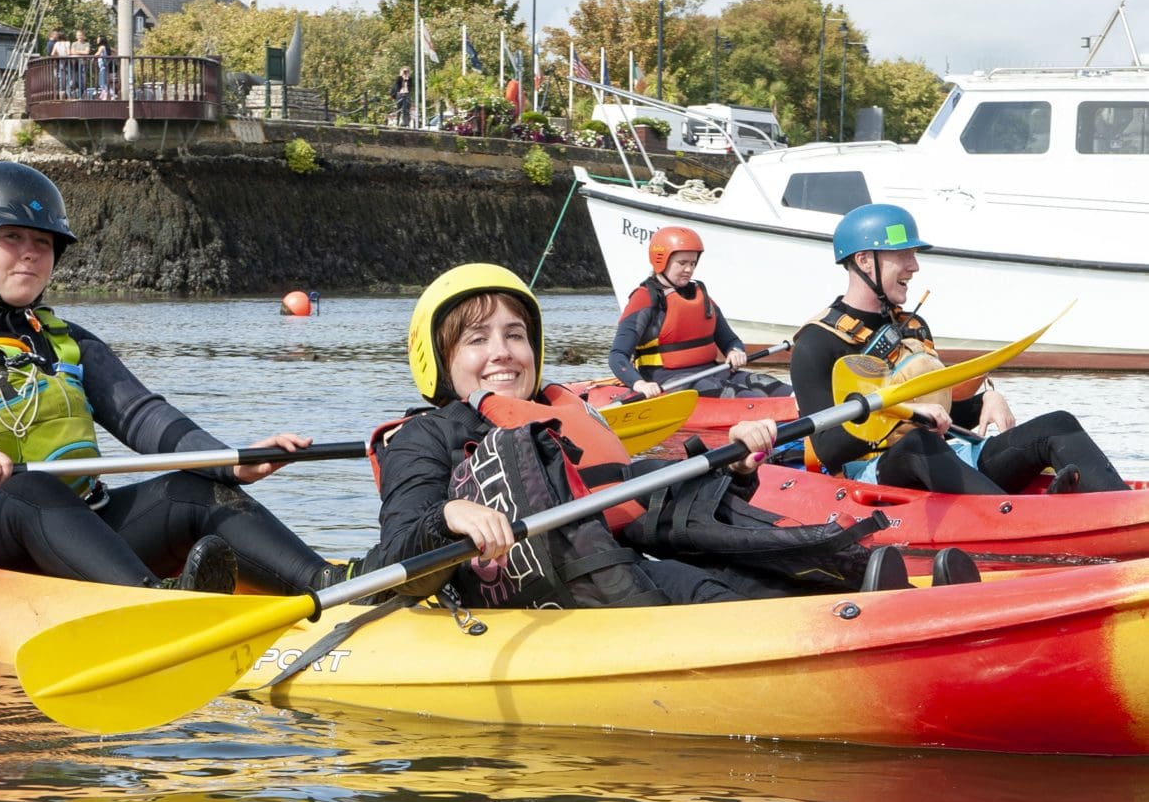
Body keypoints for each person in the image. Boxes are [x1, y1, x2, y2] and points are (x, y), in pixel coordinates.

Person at [0, 162, 353, 594]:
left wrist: (230, 463)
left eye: (44, 241)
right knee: (29, 489)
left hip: (72, 527)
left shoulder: (66, 339)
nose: (31, 252)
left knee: (190, 491)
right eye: (11, 237)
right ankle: (152, 603)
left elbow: (144, 416)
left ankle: (332, 586)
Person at [362, 263, 945, 609]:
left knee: (762, 571)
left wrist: (731, 470)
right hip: (543, 597)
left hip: (610, 569)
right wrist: (452, 517)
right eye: (477, 340)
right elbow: (396, 554)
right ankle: (877, 630)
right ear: (438, 359)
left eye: (515, 336)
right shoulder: (425, 438)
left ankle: (897, 599)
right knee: (714, 598)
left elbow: (638, 498)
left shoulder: (560, 418)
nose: (502, 354)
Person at [789, 203, 1128, 495]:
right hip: (871, 475)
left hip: (939, 459)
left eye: (914, 255)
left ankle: (1123, 509)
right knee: (918, 443)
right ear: (864, 261)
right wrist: (902, 415)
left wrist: (983, 403)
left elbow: (941, 416)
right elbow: (828, 449)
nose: (914, 265)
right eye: (902, 255)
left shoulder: (913, 328)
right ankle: (1016, 519)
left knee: (1057, 423)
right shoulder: (817, 342)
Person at [609, 226, 791, 399]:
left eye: (693, 263)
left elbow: (730, 340)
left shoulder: (700, 296)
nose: (689, 269)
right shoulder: (644, 299)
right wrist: (639, 384)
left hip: (713, 372)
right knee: (743, 396)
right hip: (670, 381)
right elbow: (617, 355)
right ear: (661, 260)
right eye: (682, 263)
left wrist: (735, 351)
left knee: (769, 385)